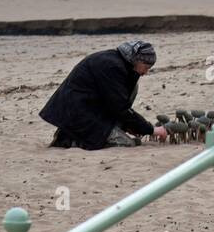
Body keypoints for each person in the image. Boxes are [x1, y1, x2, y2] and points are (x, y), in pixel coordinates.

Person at [40, 40, 168, 151]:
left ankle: (72, 136)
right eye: (146, 67)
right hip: (77, 113)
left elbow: (113, 103)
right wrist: (151, 130)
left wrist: (127, 126)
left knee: (133, 88)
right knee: (126, 144)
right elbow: (120, 107)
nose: (146, 72)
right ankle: (70, 140)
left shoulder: (118, 63)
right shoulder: (112, 67)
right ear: (136, 60)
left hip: (88, 108)